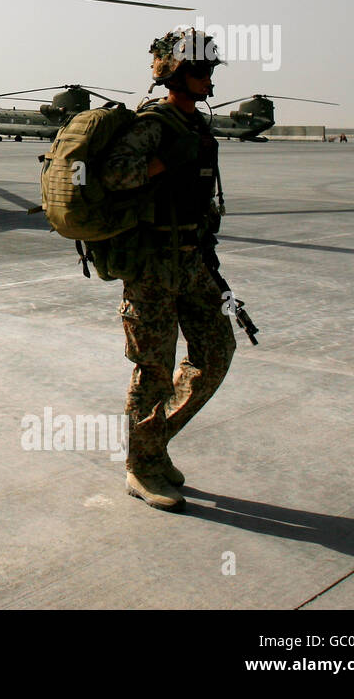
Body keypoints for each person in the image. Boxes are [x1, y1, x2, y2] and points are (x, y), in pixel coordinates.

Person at [99, 29, 236, 512]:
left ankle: (153, 443)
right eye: (200, 71)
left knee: (217, 352)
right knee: (153, 370)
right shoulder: (154, 123)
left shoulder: (197, 124)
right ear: (174, 73)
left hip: (192, 259)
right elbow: (114, 174)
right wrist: (161, 163)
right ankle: (141, 466)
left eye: (210, 70)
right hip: (152, 265)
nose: (208, 78)